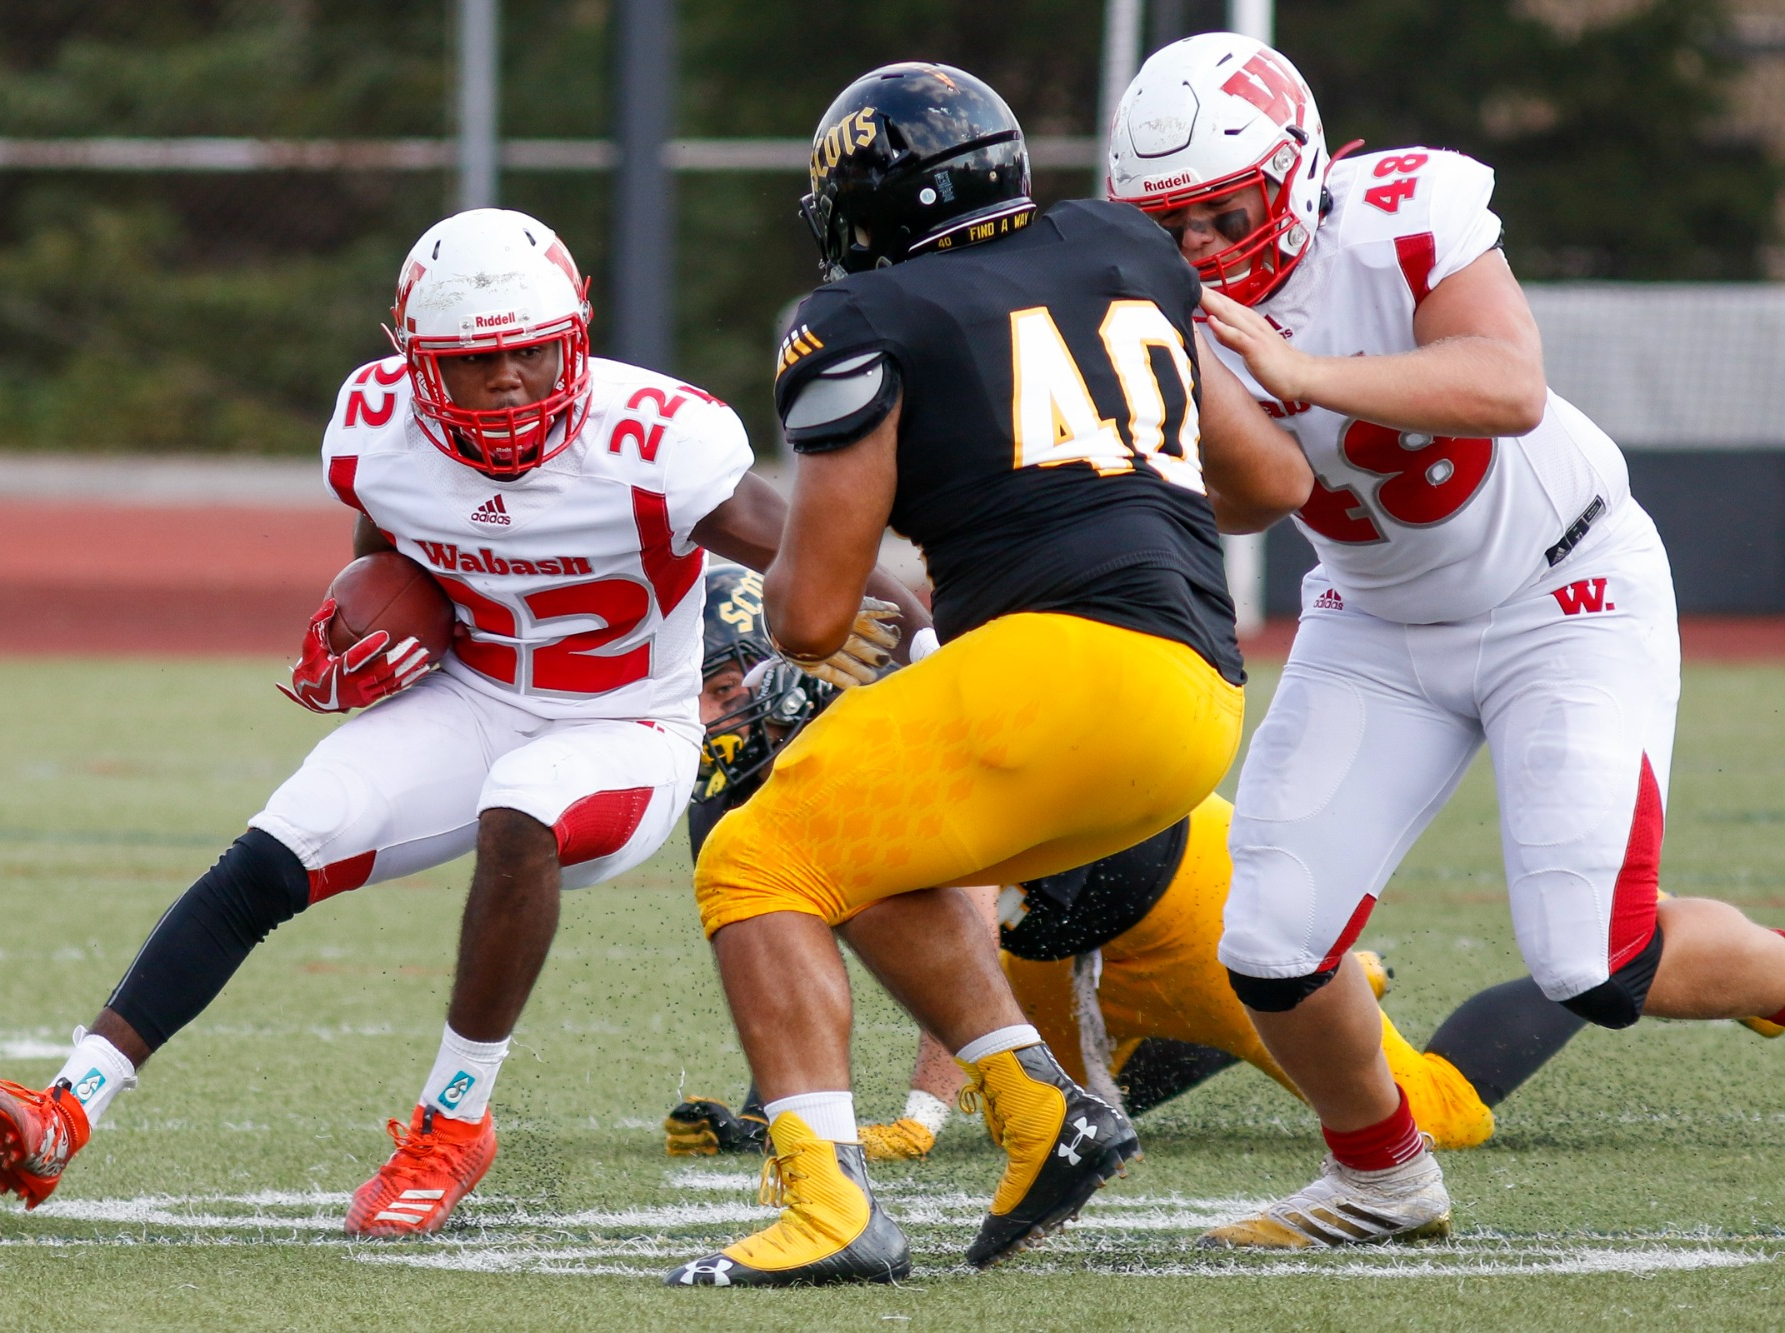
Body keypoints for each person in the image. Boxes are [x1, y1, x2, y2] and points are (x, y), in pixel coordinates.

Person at [0, 207, 926, 1237]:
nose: (508, 380)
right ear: (418, 366)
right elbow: (390, 551)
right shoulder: (379, 431)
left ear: (575, 339)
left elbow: (818, 553)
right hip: (469, 698)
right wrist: (364, 629)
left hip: (624, 725)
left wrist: (929, 642)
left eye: (529, 353)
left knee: (524, 805)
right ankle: (70, 1104)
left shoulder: (650, 440)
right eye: (477, 361)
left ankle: (451, 1123)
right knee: (283, 839)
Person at [1109, 32, 1785, 1250]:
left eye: (1224, 209)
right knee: (1266, 940)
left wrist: (1300, 368)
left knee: (1596, 962)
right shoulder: (1146, 309)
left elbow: (1504, 384)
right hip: (1373, 615)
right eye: (1171, 224)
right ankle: (1379, 1181)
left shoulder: (1396, 216)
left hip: (1561, 591)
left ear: (1298, 169)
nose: (1201, 246)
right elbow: (1259, 495)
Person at [666, 63, 1312, 1289]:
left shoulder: (857, 319)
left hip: (1054, 674)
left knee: (748, 856)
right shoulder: (1124, 249)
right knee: (858, 850)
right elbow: (1271, 484)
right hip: (1196, 701)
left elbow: (806, 613)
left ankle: (824, 1202)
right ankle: (1035, 1108)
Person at [664, 569, 1581, 1164]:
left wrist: (919, 1112)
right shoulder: (732, 790)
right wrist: (772, 1110)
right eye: (689, 693)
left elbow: (961, 906)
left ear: (787, 667)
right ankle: (1317, 1000)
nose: (706, 716)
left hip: (1180, 905)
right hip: (1051, 941)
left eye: (719, 687)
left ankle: (1608, 947)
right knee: (1035, 1112)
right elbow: (786, 941)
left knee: (1432, 1117)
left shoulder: (893, 708)